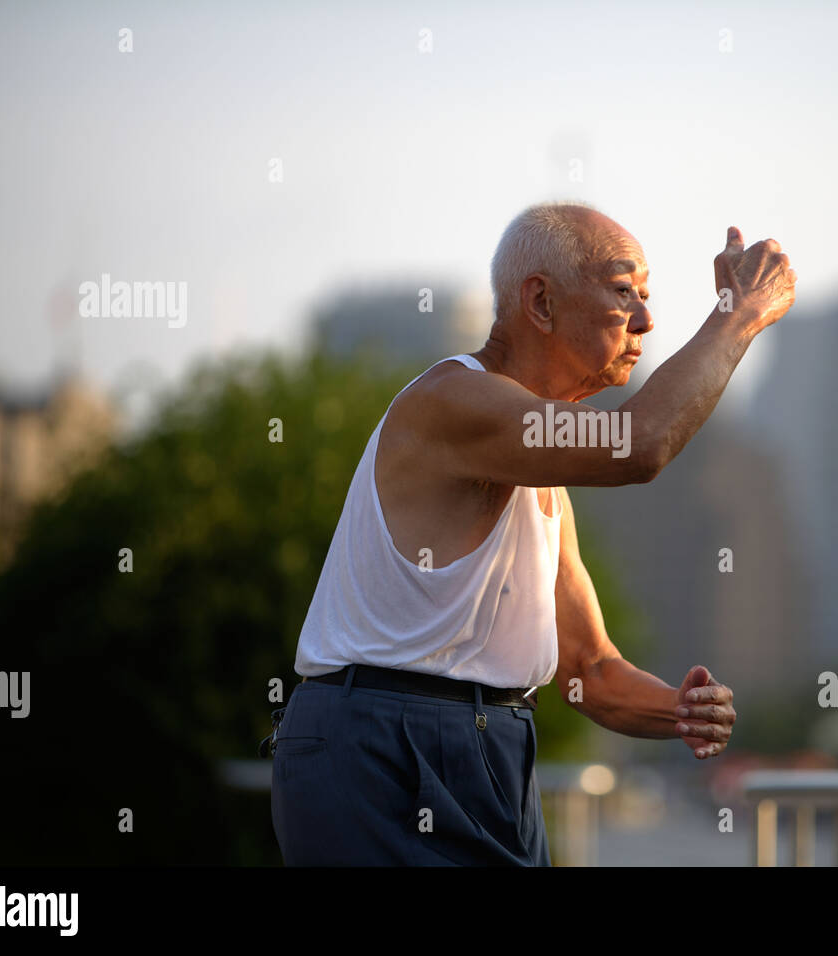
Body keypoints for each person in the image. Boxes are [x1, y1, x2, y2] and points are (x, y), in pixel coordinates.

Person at [269, 201, 797, 865]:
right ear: (541, 302)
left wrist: (681, 710)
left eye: (648, 295)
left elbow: (589, 671)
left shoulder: (540, 474)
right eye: (623, 291)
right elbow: (639, 444)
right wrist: (739, 314)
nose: (646, 318)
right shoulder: (455, 402)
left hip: (488, 745)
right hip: (384, 741)